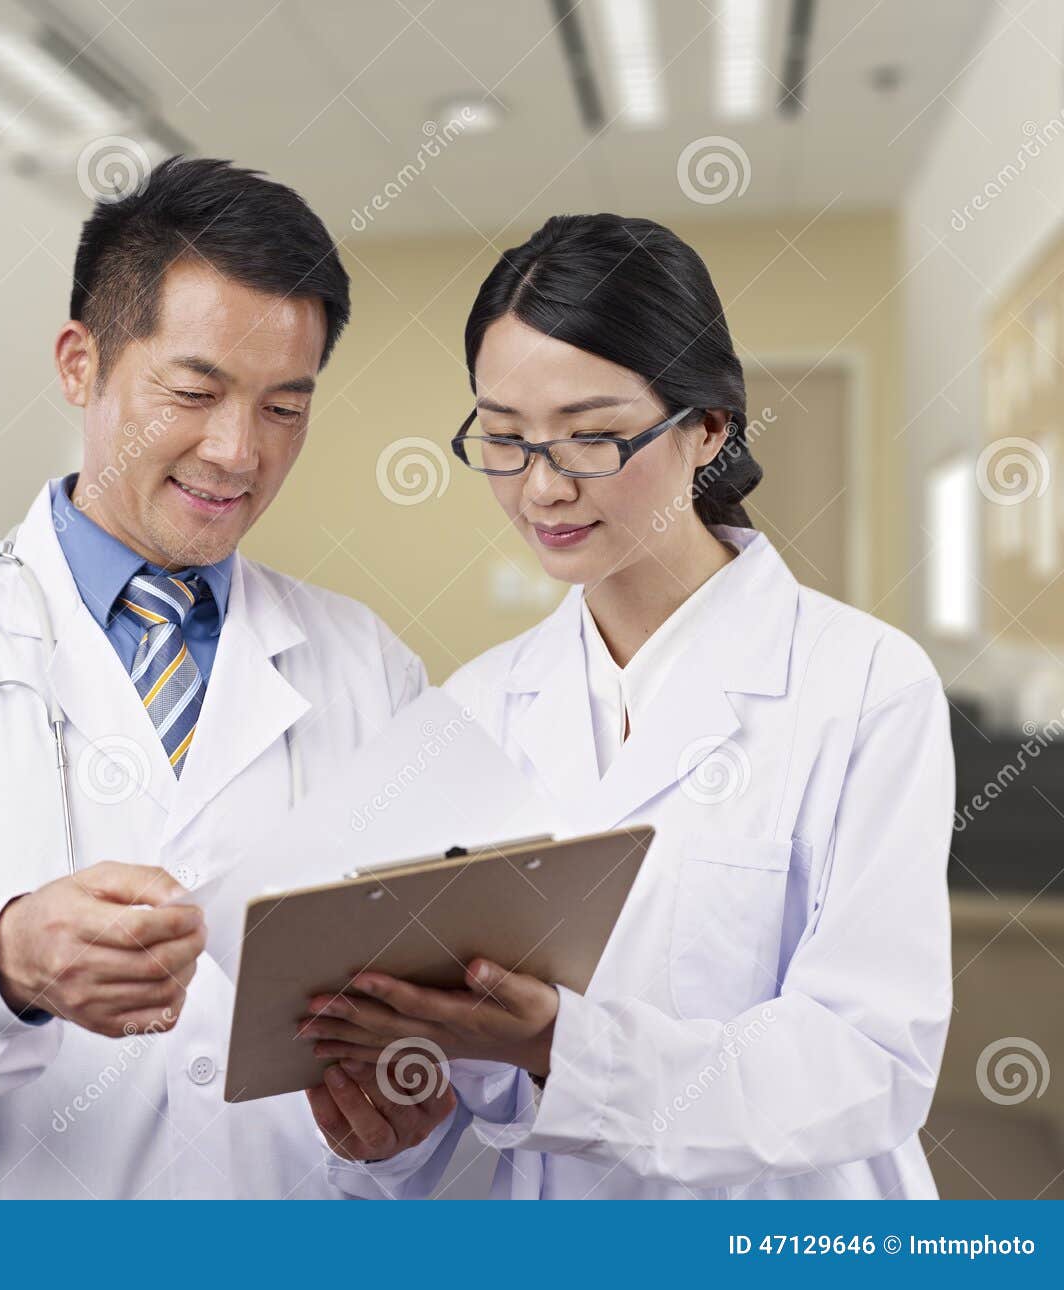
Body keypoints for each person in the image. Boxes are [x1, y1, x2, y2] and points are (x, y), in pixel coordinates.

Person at [0, 157, 453, 1199]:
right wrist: (3, 957)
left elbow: (422, 987)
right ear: (81, 364)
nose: (237, 451)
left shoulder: (367, 666)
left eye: (285, 408)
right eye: (194, 391)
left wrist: (409, 1129)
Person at [303, 213, 955, 1200]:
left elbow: (867, 1062)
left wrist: (568, 1047)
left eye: (593, 438)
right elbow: (472, 1094)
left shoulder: (864, 685)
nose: (541, 489)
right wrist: (399, 1131)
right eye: (506, 439)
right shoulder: (476, 706)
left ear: (707, 428)